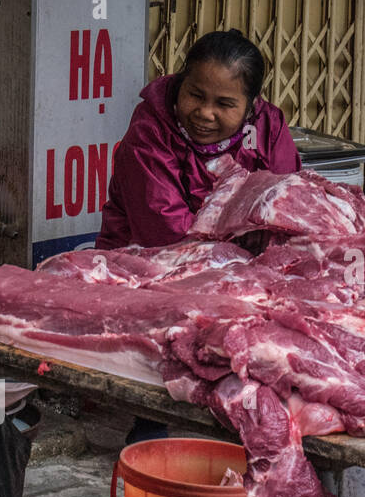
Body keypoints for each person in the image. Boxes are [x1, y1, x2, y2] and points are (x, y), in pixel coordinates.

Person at [96, 29, 300, 442]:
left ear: (250, 107)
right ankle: (150, 424)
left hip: (235, 264)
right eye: (195, 95)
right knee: (173, 331)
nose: (205, 113)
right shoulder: (150, 132)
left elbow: (287, 202)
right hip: (149, 265)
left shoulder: (268, 126)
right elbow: (168, 235)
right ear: (179, 85)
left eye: (225, 104)